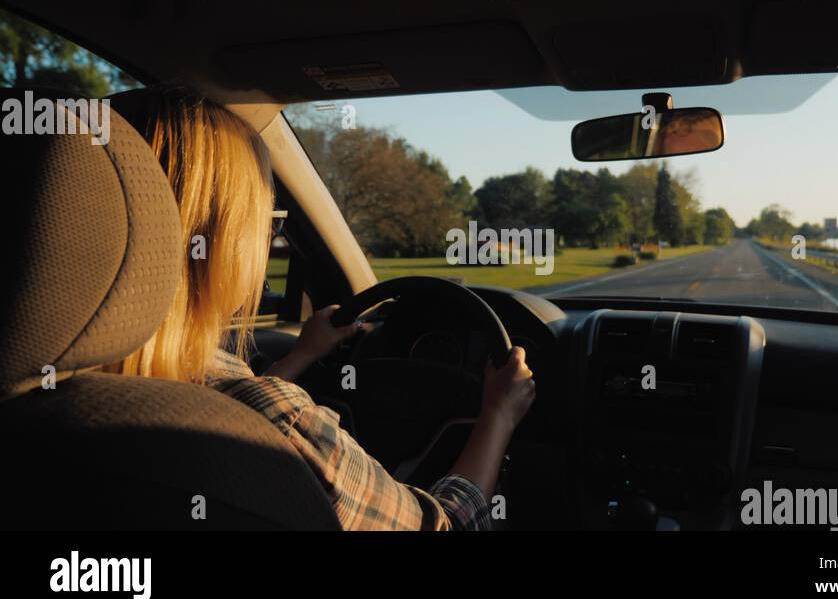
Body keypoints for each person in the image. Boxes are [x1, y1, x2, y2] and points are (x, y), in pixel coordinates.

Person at [102, 84, 535, 530]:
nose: (270, 240)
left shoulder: (59, 393)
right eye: (266, 222)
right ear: (214, 240)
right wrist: (498, 417)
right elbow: (447, 525)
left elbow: (224, 411)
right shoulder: (282, 424)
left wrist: (301, 356)